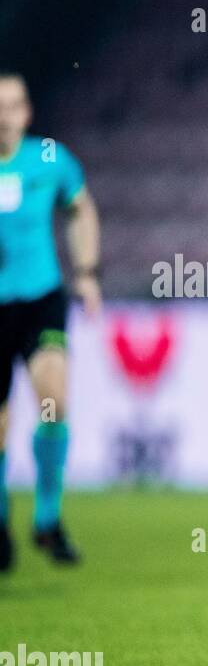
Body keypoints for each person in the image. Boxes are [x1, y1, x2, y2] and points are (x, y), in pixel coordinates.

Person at [0, 71, 102, 571]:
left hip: (41, 298)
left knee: (52, 401)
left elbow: (80, 208)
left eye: (13, 105)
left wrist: (85, 273)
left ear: (27, 111)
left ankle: (47, 517)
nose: (5, 116)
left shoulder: (48, 158)